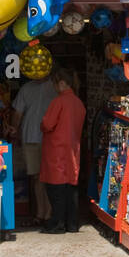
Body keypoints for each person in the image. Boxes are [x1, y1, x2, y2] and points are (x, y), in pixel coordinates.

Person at [8, 70, 58, 227]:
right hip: (31, 137)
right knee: (36, 177)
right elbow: (18, 113)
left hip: (51, 138)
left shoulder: (55, 87)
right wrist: (14, 130)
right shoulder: (26, 88)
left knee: (48, 177)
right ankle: (40, 213)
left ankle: (49, 212)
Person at [39, 67, 86, 233]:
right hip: (72, 150)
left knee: (55, 188)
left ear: (61, 83)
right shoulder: (79, 103)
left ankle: (58, 222)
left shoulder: (58, 101)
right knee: (70, 188)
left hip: (56, 150)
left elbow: (47, 124)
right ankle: (71, 223)